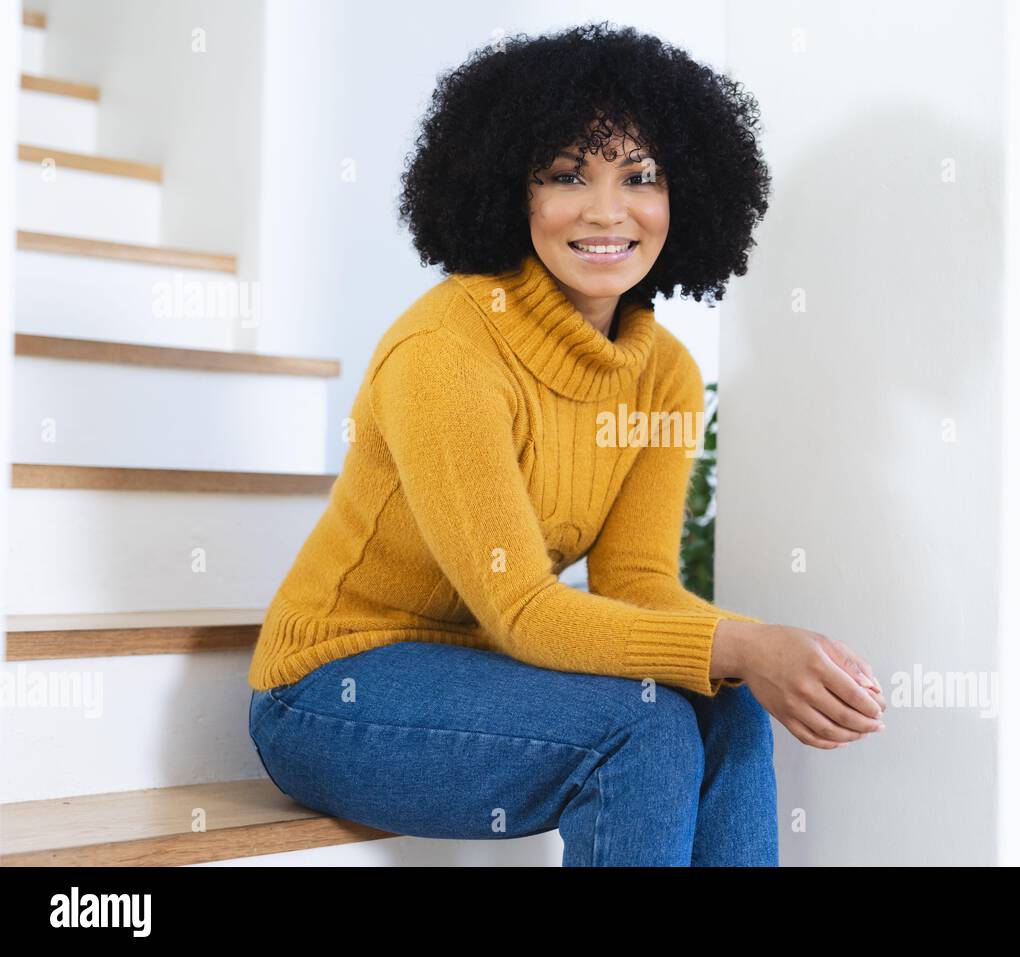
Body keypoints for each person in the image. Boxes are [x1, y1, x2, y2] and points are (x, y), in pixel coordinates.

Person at [247, 20, 885, 867]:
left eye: (641, 175)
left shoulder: (663, 374)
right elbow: (522, 611)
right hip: (330, 691)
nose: (606, 209)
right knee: (644, 726)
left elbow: (638, 582)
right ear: (516, 193)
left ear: (682, 194)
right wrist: (744, 643)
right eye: (566, 175)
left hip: (485, 681)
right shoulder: (448, 351)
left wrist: (771, 650)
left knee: (726, 705)